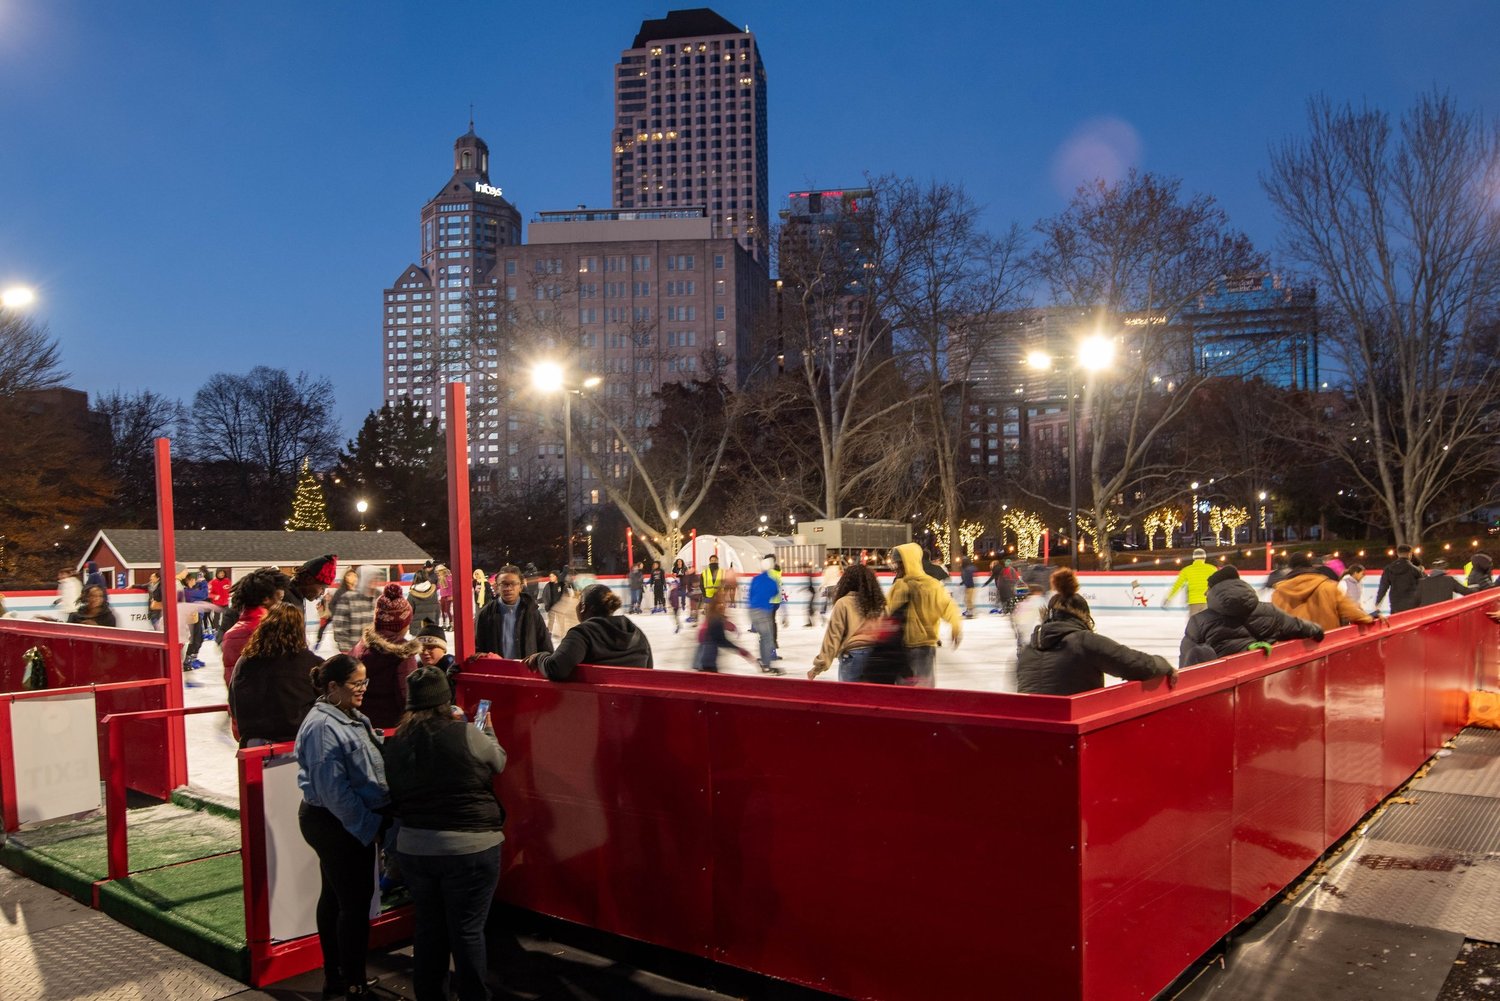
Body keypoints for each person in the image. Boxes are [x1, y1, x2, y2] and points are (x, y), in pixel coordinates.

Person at [382, 666, 506, 1001]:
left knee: (428, 929)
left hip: (415, 849)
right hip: (471, 846)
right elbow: (498, 762)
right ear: (444, 700)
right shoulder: (467, 733)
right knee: (466, 931)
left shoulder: (396, 742)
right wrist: (489, 733)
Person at [295, 654, 390, 1000]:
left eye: (365, 682)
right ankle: (352, 982)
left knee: (337, 898)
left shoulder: (348, 715)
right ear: (333, 687)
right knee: (352, 903)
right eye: (357, 684)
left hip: (340, 821)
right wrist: (368, 827)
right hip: (336, 823)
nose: (363, 689)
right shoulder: (323, 727)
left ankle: (338, 976)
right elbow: (334, 791)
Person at [1018, 568, 1178, 695]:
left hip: (1032, 732)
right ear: (1083, 617)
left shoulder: (1028, 650)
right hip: (1072, 729)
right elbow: (1136, 664)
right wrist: (1164, 665)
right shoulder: (1084, 642)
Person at [1179, 565, 1325, 667]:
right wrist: (1317, 630)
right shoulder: (1270, 611)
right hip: (1265, 684)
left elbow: (1187, 660)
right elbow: (1300, 627)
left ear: (1212, 591)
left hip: (1222, 690)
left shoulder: (1199, 621)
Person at [229, 602, 319, 747]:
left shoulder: (245, 662)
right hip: (297, 743)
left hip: (253, 743)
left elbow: (233, 699)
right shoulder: (311, 663)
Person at [524, 584, 654, 681]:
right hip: (632, 706)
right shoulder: (636, 633)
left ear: (583, 607)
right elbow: (649, 672)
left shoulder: (582, 634)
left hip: (595, 706)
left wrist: (540, 657)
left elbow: (556, 669)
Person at [887, 542, 963, 688]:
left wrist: (955, 626)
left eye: (900, 564)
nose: (897, 568)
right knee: (907, 693)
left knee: (921, 692)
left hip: (922, 647)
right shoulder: (900, 586)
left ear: (909, 563)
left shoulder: (929, 585)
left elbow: (948, 607)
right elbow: (887, 611)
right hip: (904, 647)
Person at [351, 583, 420, 731]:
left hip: (362, 725)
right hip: (392, 728)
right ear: (403, 624)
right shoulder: (403, 653)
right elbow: (407, 696)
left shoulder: (360, 647)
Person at [808, 563, 886, 682]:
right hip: (876, 657)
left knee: (848, 697)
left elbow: (833, 636)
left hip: (853, 656)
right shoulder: (878, 604)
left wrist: (819, 666)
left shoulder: (843, 603)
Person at [220, 568, 291, 686]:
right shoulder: (270, 630)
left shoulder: (231, 634)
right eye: (280, 599)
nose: (282, 605)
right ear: (266, 599)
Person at [1272, 552, 1376, 630]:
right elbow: (1350, 611)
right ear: (1310, 566)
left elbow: (1275, 622)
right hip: (1324, 644)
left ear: (1290, 569)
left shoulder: (1279, 593)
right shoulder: (1329, 587)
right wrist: (1369, 618)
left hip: (1292, 649)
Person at [475, 565, 552, 661]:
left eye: (513, 584)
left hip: (526, 672)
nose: (508, 588)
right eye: (504, 584)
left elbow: (545, 647)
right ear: (497, 587)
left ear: (520, 586)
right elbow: (477, 646)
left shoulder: (531, 612)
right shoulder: (486, 614)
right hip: (497, 671)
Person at [693, 592, 756, 672]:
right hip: (707, 651)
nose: (724, 607)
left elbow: (721, 624)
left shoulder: (713, 616)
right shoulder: (715, 620)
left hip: (705, 649)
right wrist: (739, 650)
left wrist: (731, 626)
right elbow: (721, 640)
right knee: (708, 672)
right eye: (722, 604)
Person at [746, 557, 785, 675]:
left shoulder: (755, 579)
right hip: (763, 611)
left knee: (764, 637)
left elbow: (751, 593)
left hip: (752, 611)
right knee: (767, 638)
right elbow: (774, 592)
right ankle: (766, 665)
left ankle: (765, 662)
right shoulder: (771, 581)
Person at [333, 567, 384, 653]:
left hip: (375, 652)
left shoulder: (380, 598)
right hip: (354, 651)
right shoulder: (349, 598)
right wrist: (346, 650)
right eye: (370, 577)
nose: (374, 580)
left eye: (376, 577)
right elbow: (339, 626)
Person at [1164, 549, 1216, 616]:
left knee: (1194, 624)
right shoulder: (1212, 569)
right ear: (1204, 557)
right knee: (1207, 624)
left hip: (1193, 602)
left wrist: (1169, 597)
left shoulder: (1186, 570)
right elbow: (1219, 585)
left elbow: (1177, 585)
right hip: (1208, 602)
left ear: (1193, 558)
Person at [1374, 545, 1423, 614]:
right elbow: (1423, 587)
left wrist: (1377, 602)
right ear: (1410, 554)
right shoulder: (1415, 570)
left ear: (1397, 554)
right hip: (1412, 605)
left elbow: (1383, 587)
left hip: (1395, 604)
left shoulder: (1389, 569)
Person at [322, 569, 359, 647]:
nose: (352, 578)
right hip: (344, 631)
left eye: (354, 576)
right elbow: (332, 604)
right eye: (349, 575)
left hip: (357, 630)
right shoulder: (341, 591)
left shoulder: (359, 592)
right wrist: (338, 615)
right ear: (345, 578)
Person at [207, 569, 231, 635]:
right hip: (217, 603)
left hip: (225, 603)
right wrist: (215, 596)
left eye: (223, 573)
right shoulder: (212, 582)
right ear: (217, 574)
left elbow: (229, 589)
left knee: (226, 616)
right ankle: (216, 629)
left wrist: (229, 594)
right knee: (217, 617)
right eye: (220, 573)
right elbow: (208, 593)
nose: (221, 574)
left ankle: (225, 628)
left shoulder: (227, 581)